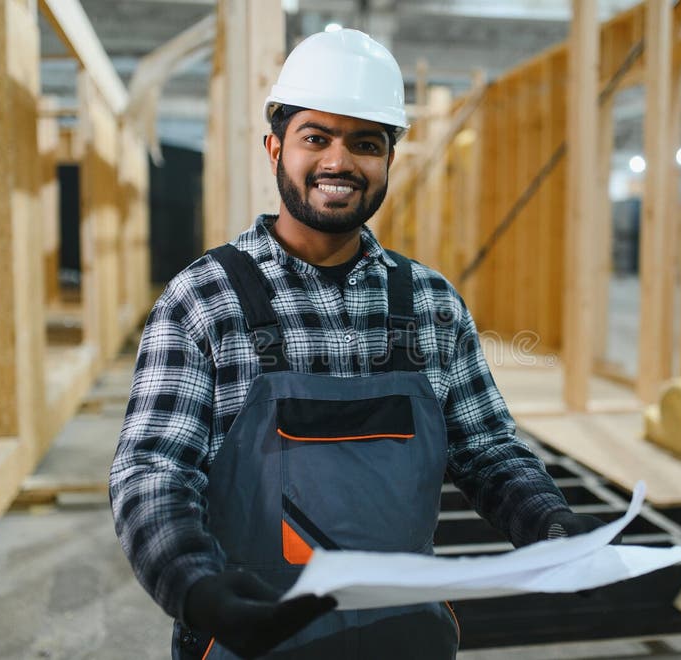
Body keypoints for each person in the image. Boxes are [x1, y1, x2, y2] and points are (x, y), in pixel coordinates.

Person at [110, 28, 605, 660]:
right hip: (251, 636)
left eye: (366, 143)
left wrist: (546, 519)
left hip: (404, 637)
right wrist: (195, 584)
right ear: (274, 149)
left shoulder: (429, 302)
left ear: (389, 161)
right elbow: (152, 471)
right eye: (316, 137)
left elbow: (487, 449)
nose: (340, 162)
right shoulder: (206, 301)